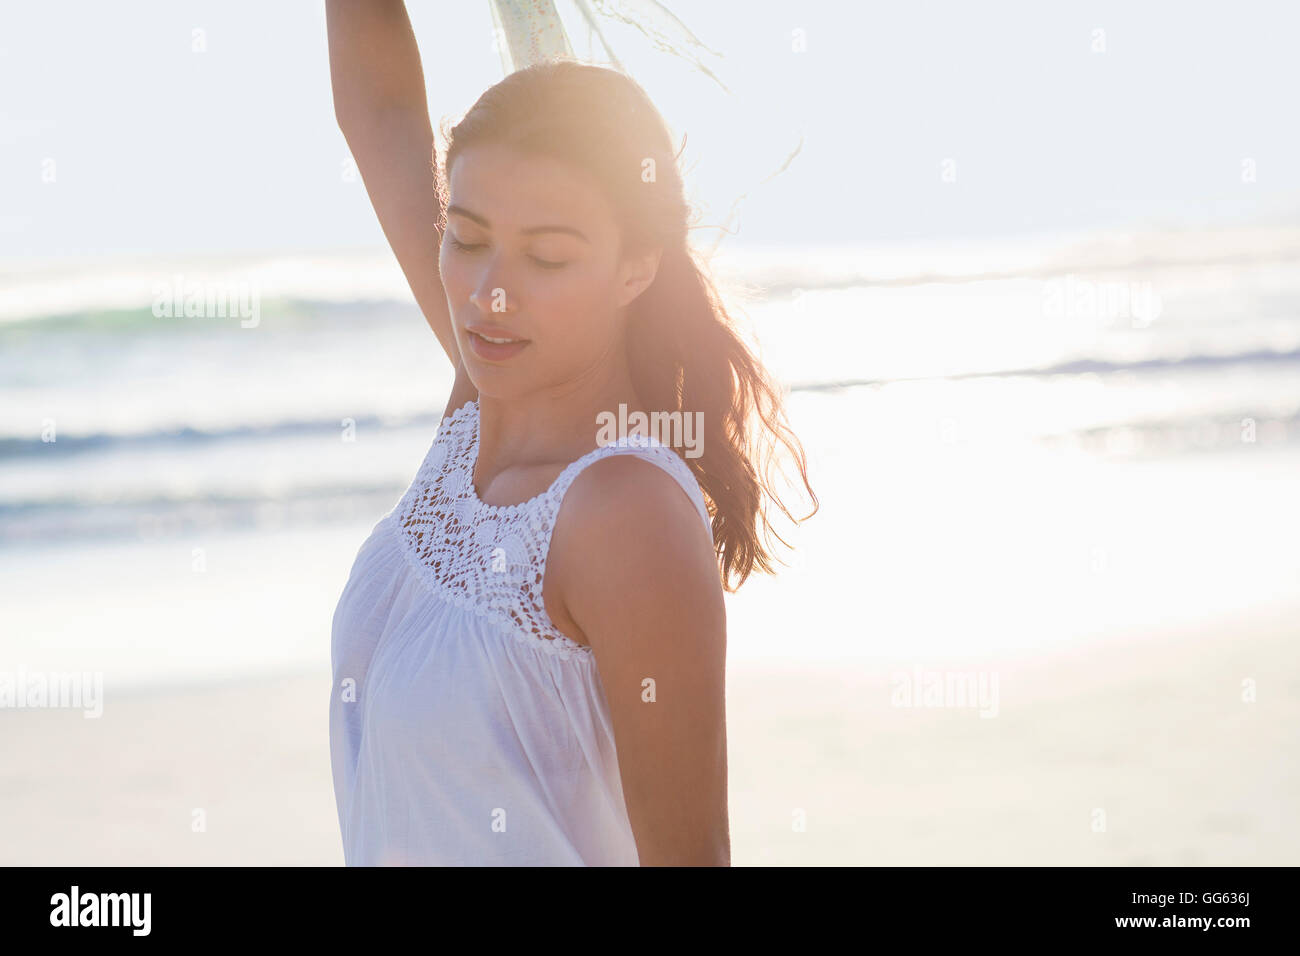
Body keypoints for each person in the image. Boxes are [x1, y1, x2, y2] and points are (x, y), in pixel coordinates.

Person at [325, 0, 816, 866]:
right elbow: (380, 107)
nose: (490, 294)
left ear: (637, 266)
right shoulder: (478, 408)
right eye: (466, 239)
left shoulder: (624, 514)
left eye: (546, 258)